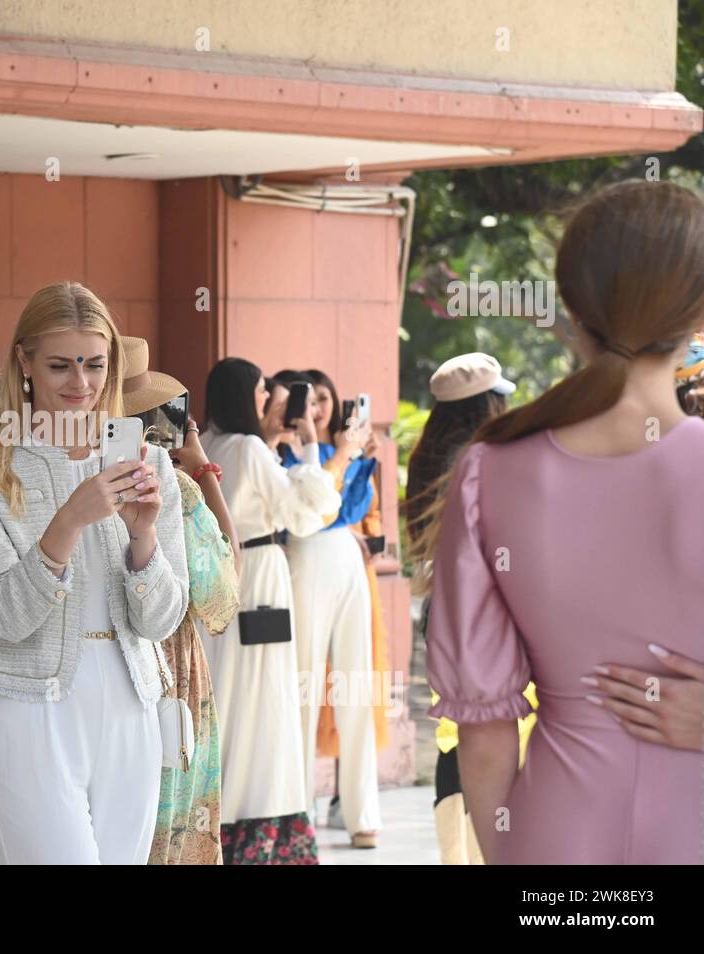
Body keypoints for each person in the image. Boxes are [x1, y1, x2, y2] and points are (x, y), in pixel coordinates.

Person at [426, 179, 704, 864]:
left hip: (556, 837)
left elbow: (484, 735)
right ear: (697, 318)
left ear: (574, 309)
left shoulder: (488, 472)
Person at [0, 281, 188, 864]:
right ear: (24, 362)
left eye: (95, 364)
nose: (81, 383)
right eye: (60, 365)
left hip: (132, 700)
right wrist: (69, 521)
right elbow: (3, 616)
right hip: (30, 704)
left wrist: (144, 537)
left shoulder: (150, 463)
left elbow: (162, 620)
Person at [200, 359, 339, 864]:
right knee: (264, 703)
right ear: (245, 395)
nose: (270, 400)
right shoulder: (250, 448)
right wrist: (309, 455)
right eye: (263, 391)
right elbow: (303, 515)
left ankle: (215, 822)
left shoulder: (210, 444)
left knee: (228, 697)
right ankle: (257, 829)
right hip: (258, 574)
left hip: (221, 580)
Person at [404, 352, 530, 864]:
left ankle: (459, 851)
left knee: (456, 735)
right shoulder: (482, 459)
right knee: (491, 732)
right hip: (489, 613)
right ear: (487, 403)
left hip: (445, 611)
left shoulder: (428, 455)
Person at [119, 337, 241, 865]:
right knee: (166, 826)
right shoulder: (173, 488)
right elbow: (221, 593)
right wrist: (202, 472)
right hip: (166, 667)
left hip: (90, 664)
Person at [276, 369, 383, 848]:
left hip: (344, 555)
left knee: (356, 682)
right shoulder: (286, 449)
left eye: (325, 398)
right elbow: (313, 509)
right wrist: (340, 456)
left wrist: (363, 462)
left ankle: (363, 813)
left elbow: (352, 509)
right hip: (305, 554)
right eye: (310, 399)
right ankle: (300, 812)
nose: (318, 408)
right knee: (302, 684)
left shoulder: (343, 450)